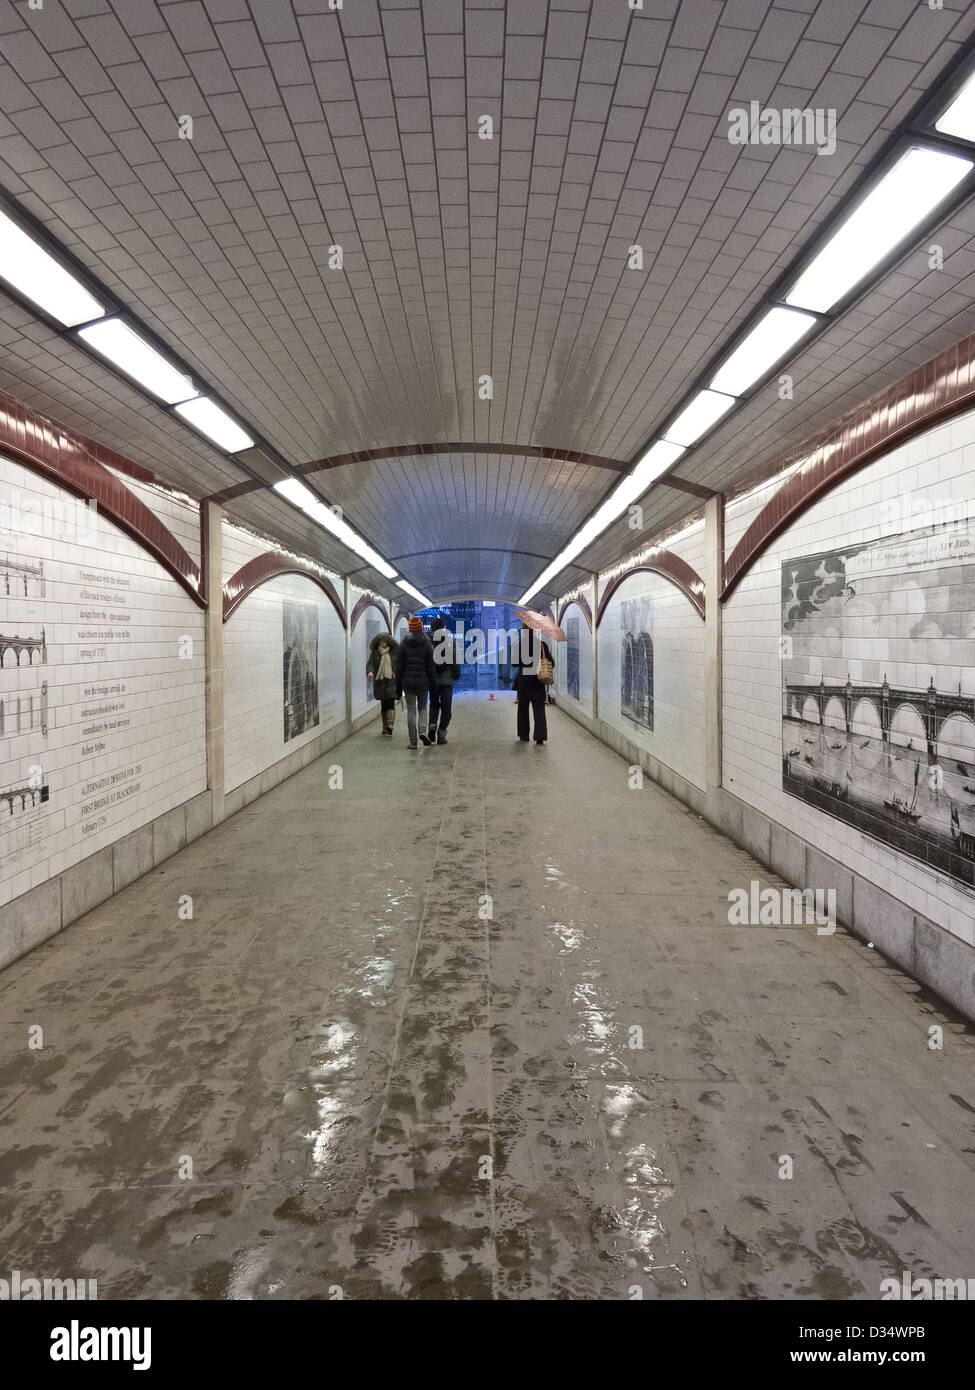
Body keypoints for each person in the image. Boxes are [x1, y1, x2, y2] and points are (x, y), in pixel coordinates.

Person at [396, 615, 436, 749]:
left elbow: (399, 667)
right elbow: (431, 667)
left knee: (411, 710)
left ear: (410, 629)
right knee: (423, 708)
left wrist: (397, 687)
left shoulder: (404, 643)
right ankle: (422, 732)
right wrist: (433, 685)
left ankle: (413, 742)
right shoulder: (427, 644)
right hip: (423, 683)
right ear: (421, 627)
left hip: (408, 683)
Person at [514, 633, 554, 745]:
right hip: (538, 682)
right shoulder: (542, 645)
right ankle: (540, 737)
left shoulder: (520, 645)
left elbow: (514, 663)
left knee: (523, 709)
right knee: (539, 709)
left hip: (524, 682)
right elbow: (551, 662)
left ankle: (524, 735)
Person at [428, 616, 462, 745]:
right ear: (444, 628)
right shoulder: (450, 641)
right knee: (446, 709)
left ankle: (432, 726)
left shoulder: (428, 641)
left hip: (433, 680)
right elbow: (456, 660)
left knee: (434, 705)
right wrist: (456, 675)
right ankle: (441, 733)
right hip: (447, 681)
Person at [367, 630, 400, 736]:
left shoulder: (394, 653)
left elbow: (399, 664)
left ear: (389, 642)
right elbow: (370, 664)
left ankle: (390, 725)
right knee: (383, 704)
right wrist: (370, 671)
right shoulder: (375, 653)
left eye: (384, 641)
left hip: (392, 681)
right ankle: (385, 727)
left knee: (390, 702)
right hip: (380, 682)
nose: (382, 643)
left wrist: (397, 672)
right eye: (381, 641)